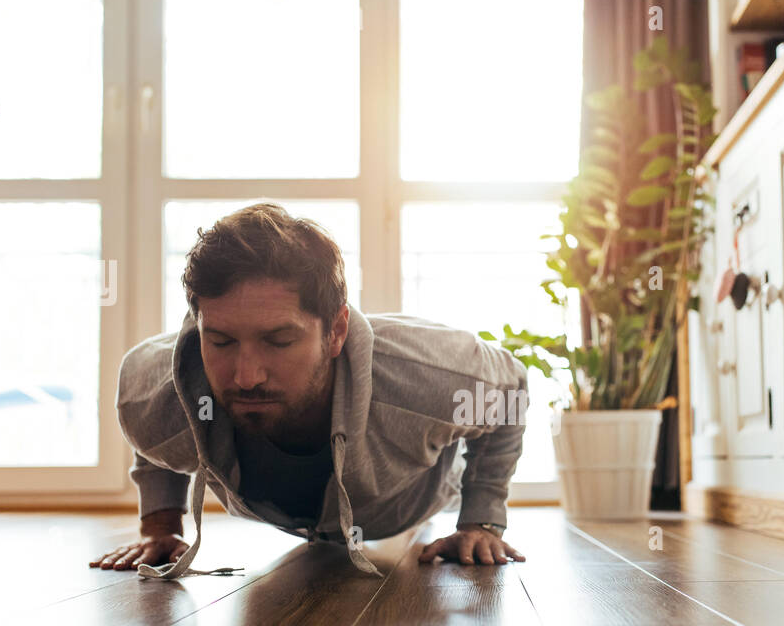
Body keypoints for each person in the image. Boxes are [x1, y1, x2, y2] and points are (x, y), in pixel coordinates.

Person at [90, 203, 528, 578]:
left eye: (279, 341)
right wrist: (161, 526)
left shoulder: (432, 374)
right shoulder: (155, 391)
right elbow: (155, 434)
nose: (246, 376)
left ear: (336, 331)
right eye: (221, 341)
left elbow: (510, 392)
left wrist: (482, 519)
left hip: (412, 493)